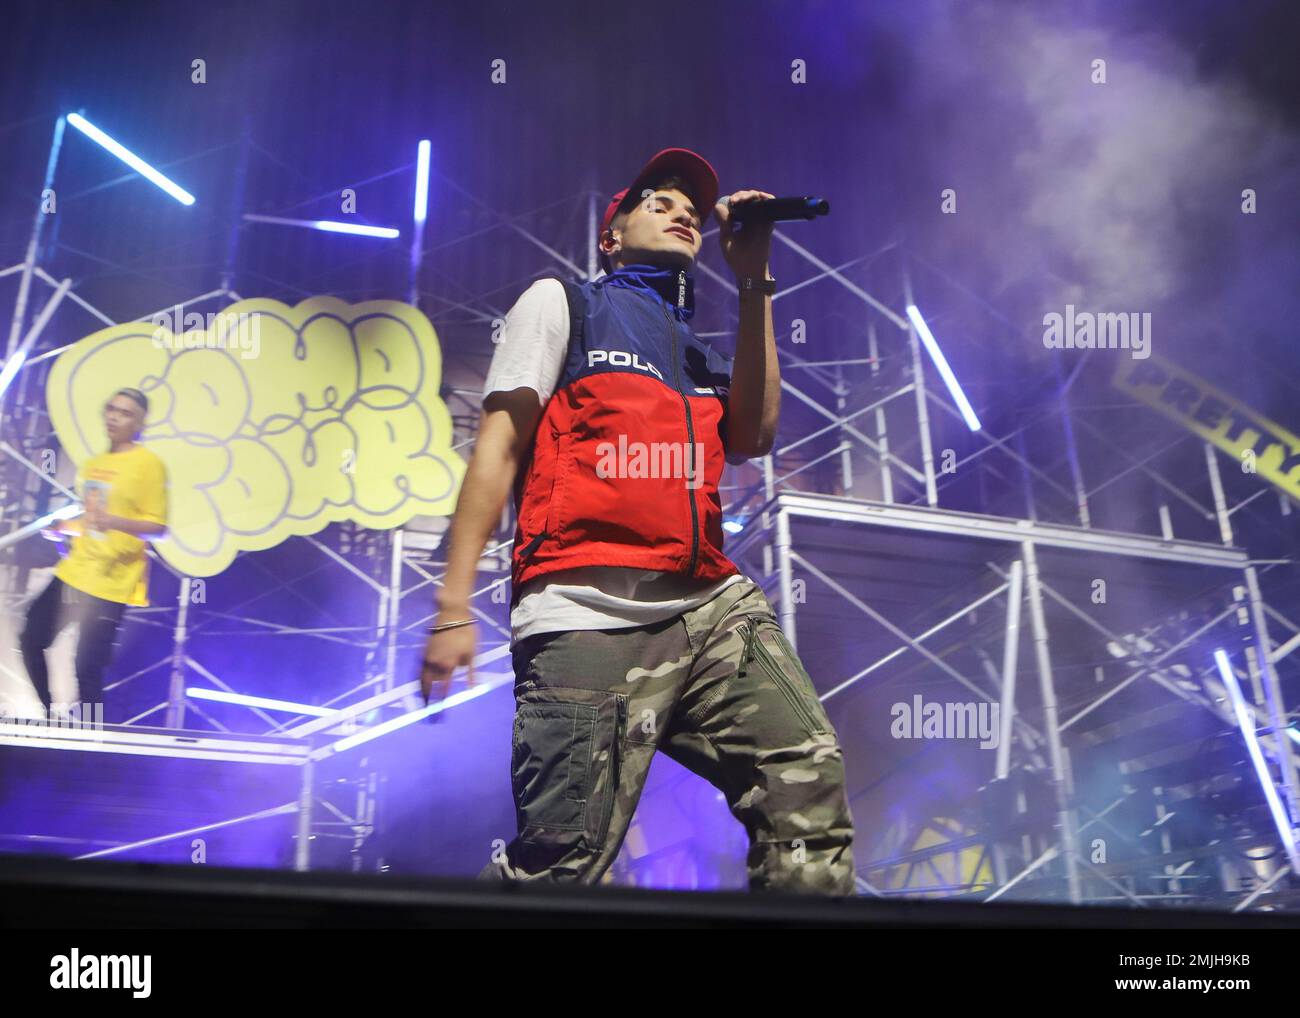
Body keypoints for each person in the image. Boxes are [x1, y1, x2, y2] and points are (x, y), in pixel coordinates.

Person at [420, 148, 856, 893]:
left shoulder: (696, 352)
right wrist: (452, 606)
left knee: (806, 789)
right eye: (659, 200)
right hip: (585, 614)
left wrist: (754, 279)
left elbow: (754, 437)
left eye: (693, 205)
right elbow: (497, 446)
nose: (684, 210)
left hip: (709, 606)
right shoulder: (564, 303)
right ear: (610, 235)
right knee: (562, 865)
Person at [20, 387, 168, 718]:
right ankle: (50, 719)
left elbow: (160, 528)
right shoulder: (94, 465)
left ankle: (89, 741)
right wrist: (65, 526)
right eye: (111, 409)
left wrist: (112, 520)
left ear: (141, 421)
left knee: (86, 665)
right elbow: (91, 522)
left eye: (125, 412)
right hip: (75, 572)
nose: (114, 417)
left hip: (111, 582)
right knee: (31, 638)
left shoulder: (149, 465)